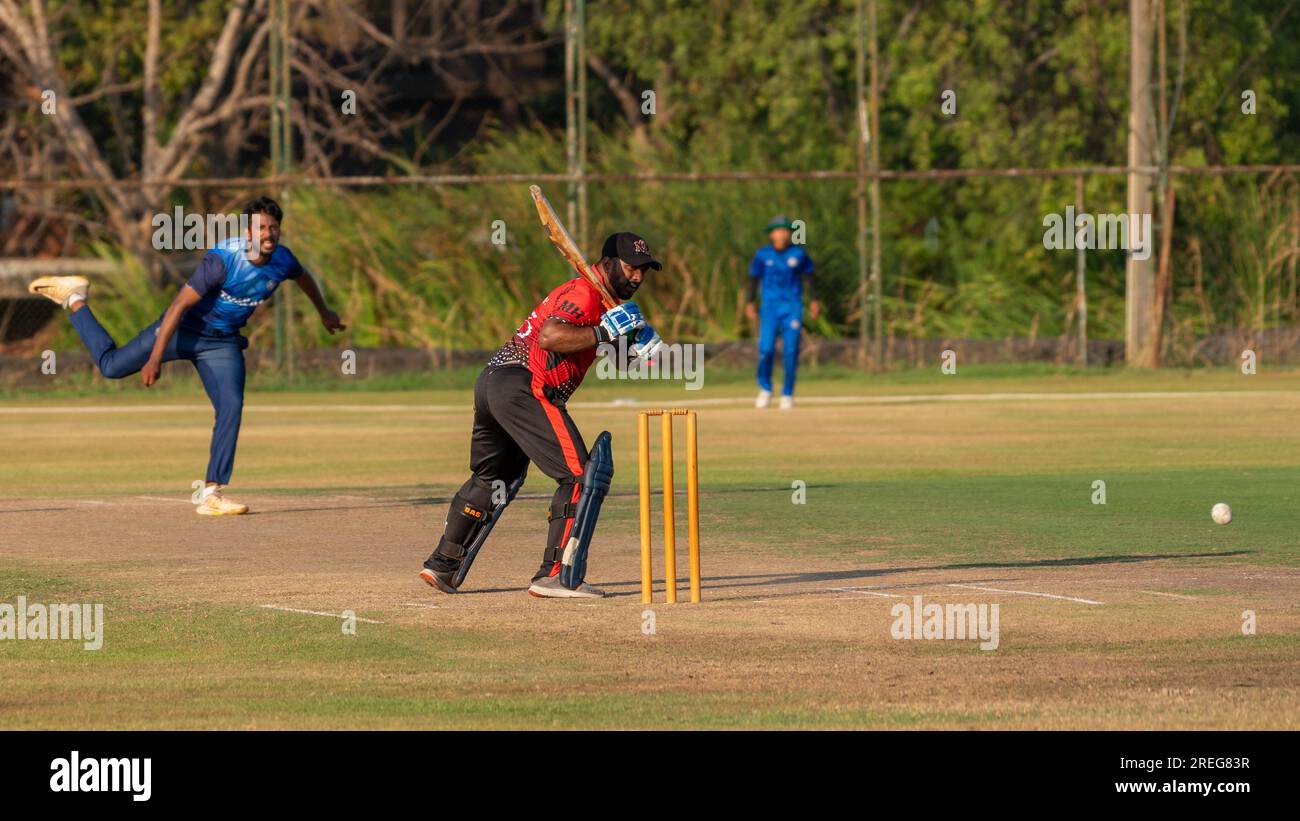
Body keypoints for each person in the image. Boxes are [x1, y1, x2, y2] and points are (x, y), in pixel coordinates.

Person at [27, 196, 346, 515]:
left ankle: (211, 494)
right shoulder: (222, 260)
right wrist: (154, 359)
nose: (267, 234)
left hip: (222, 344)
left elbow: (302, 277)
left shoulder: (283, 260)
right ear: (246, 232)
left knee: (231, 405)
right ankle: (75, 299)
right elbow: (179, 306)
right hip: (181, 330)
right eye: (260, 227)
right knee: (111, 367)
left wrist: (324, 312)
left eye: (273, 228)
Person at [419, 232, 662, 599]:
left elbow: (616, 358)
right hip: (525, 386)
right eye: (630, 268)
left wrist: (635, 343)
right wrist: (604, 330)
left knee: (494, 478)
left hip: (495, 383)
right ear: (607, 264)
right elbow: (551, 336)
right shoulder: (583, 293)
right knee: (581, 475)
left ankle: (443, 565)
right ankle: (555, 576)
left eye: (644, 271)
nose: (637, 278)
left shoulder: (606, 306)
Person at [745, 215, 820, 409]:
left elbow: (810, 277)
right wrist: (750, 302)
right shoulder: (762, 255)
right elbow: (753, 279)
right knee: (766, 349)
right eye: (778, 230)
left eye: (786, 230)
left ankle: (787, 393)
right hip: (769, 307)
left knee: (791, 350)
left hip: (792, 306)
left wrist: (814, 300)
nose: (782, 234)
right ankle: (765, 389)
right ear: (771, 234)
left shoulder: (799, 254)